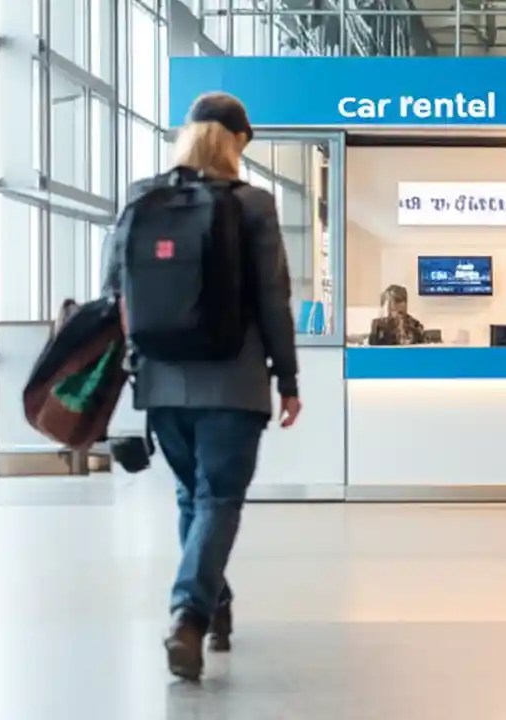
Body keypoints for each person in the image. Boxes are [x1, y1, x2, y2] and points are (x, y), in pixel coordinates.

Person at [102, 92, 301, 680]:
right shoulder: (253, 204)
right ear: (236, 142)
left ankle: (216, 603)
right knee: (217, 500)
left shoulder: (142, 198)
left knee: (192, 497)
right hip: (234, 381)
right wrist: (288, 378)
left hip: (161, 380)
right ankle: (189, 614)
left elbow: (114, 290)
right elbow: (274, 299)